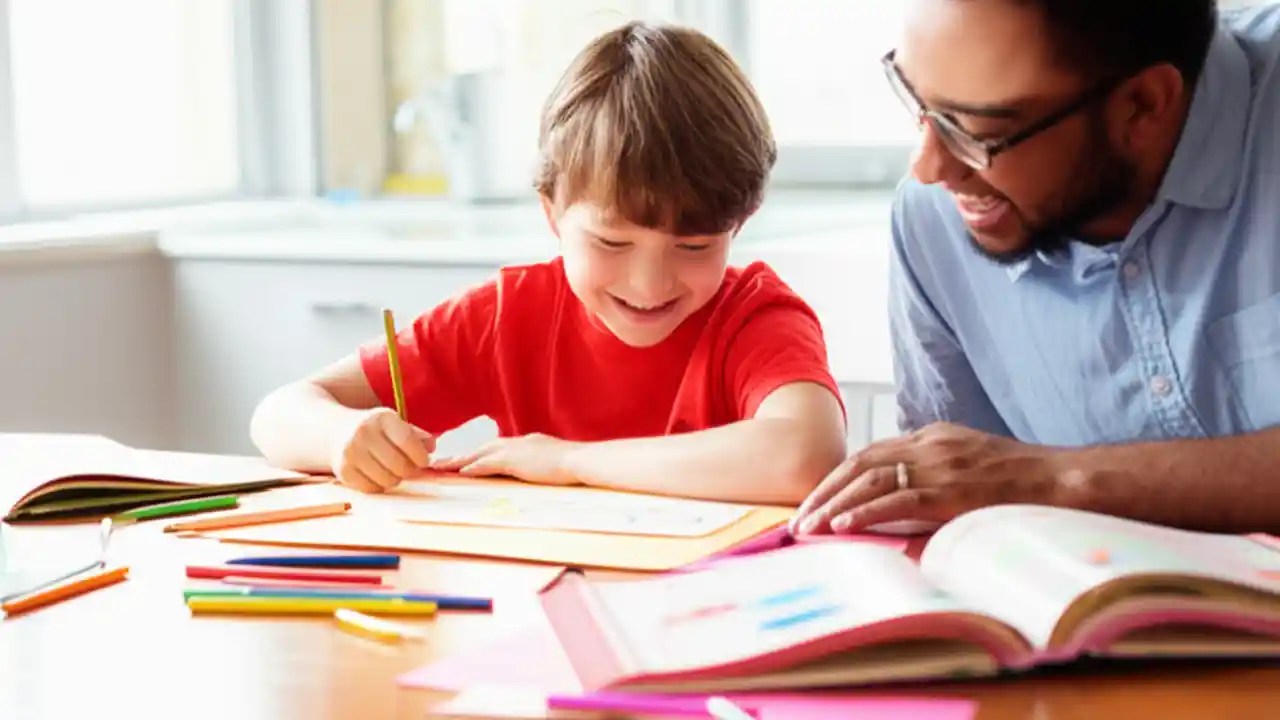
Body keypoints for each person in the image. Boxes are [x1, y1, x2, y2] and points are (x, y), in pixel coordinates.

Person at [250, 22, 847, 504]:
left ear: (738, 225)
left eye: (694, 247)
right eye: (612, 243)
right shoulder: (509, 316)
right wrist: (339, 436)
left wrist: (570, 461)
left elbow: (804, 454)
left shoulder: (755, 319)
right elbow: (278, 414)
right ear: (552, 212)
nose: (650, 283)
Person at [793, 0, 1280, 535]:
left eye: (974, 131)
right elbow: (960, 505)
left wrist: (1058, 480)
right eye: (917, 100)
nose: (929, 167)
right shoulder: (934, 223)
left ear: (1142, 105)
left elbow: (1009, 481)